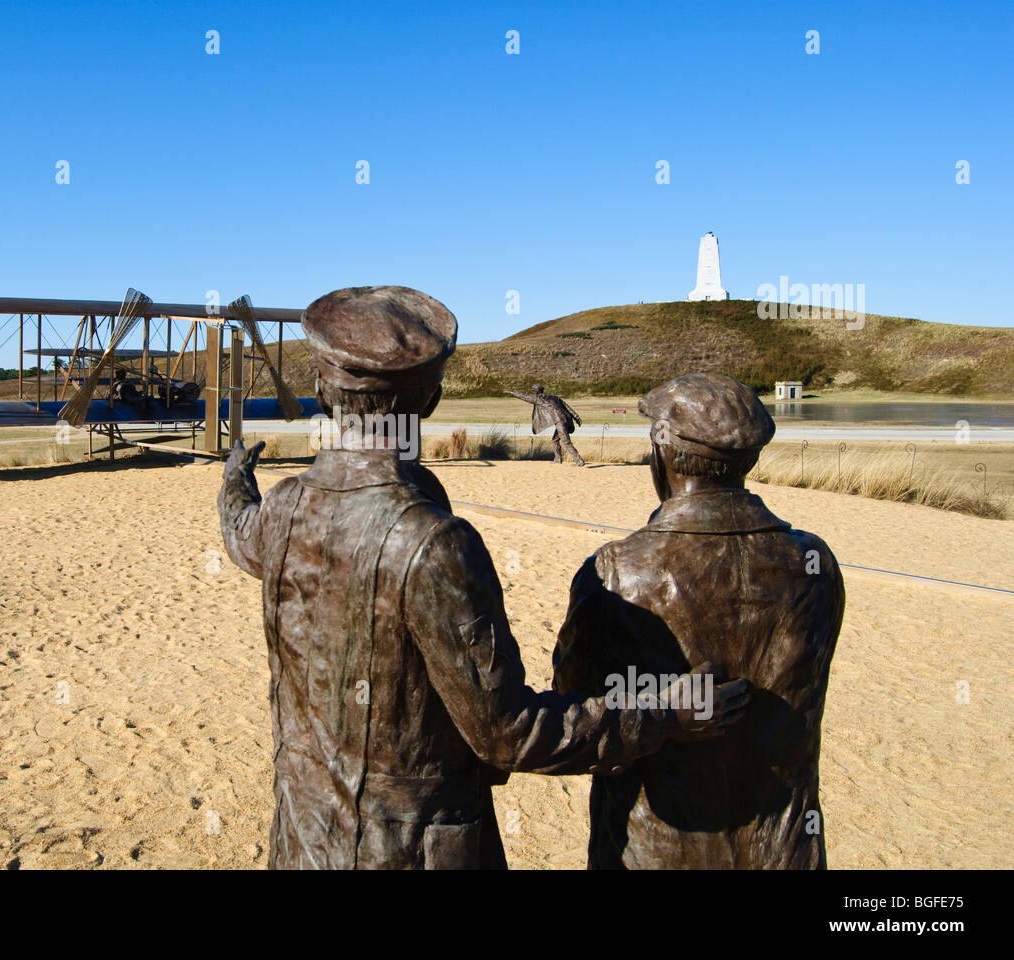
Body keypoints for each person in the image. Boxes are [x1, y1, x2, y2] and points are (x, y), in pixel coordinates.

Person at [217, 287, 750, 870]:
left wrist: (236, 478)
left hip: (304, 838)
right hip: (407, 851)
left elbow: (243, 533)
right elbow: (506, 731)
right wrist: (662, 716)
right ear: (431, 400)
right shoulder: (435, 544)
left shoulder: (286, 509)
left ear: (321, 392)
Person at [552, 372, 844, 869]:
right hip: (780, 848)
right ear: (749, 459)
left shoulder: (615, 574)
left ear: (661, 452)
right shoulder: (814, 563)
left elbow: (570, 711)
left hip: (655, 848)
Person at [507, 385, 585, 465]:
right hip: (567, 419)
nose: (533, 392)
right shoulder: (555, 397)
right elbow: (567, 407)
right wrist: (576, 417)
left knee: (566, 442)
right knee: (555, 440)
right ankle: (558, 458)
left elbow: (524, 397)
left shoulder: (537, 398)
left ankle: (579, 460)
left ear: (535, 391)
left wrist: (512, 392)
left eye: (533, 391)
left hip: (559, 421)